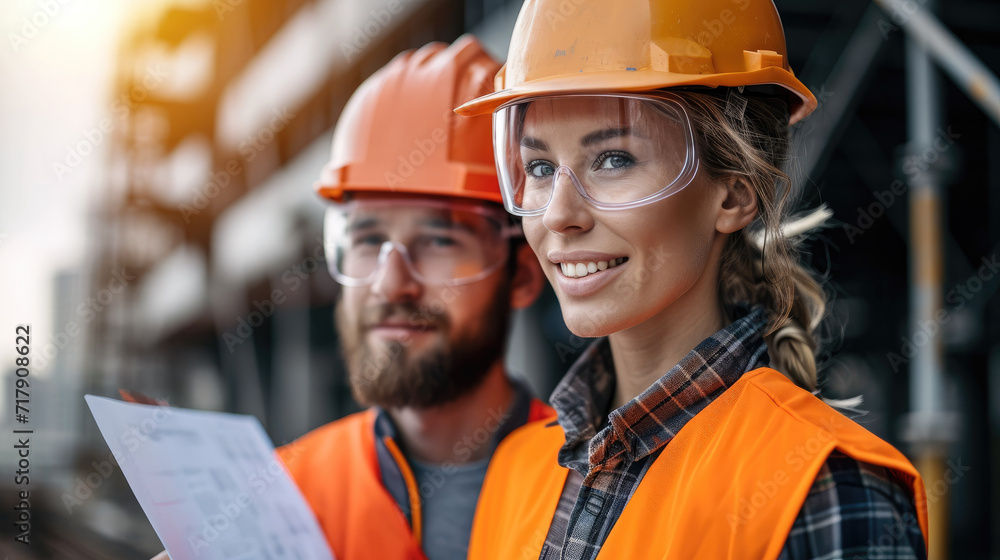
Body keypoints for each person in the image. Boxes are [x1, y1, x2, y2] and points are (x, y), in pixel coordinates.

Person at [455, 1, 929, 559]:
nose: (559, 215)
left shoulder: (824, 489)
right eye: (538, 168)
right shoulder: (513, 473)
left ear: (732, 193)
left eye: (612, 159)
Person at [152, 36, 551, 560]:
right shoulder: (274, 498)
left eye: (437, 241)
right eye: (365, 240)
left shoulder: (596, 485)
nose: (390, 283)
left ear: (522, 273)